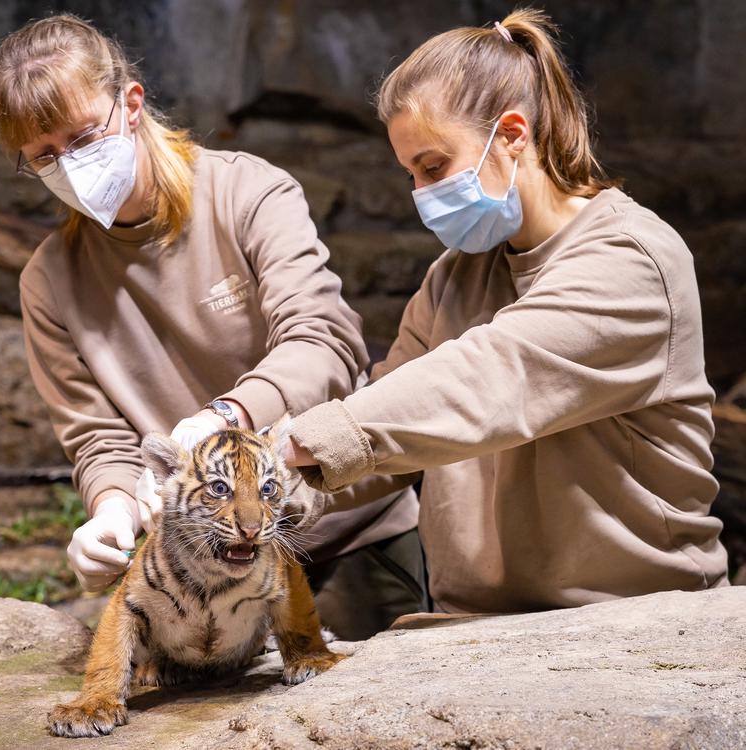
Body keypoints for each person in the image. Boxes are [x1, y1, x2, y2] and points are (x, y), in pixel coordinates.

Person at [0, 13, 425, 639]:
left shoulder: (249, 193)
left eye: (82, 139)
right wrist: (111, 511)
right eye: (44, 157)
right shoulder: (49, 280)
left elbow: (323, 341)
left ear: (130, 103)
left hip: (346, 523)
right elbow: (98, 438)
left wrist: (225, 417)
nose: (69, 167)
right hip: (210, 563)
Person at [284, 9, 729, 614]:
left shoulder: (632, 260)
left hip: (631, 618)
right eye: (411, 173)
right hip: (469, 622)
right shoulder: (455, 276)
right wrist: (240, 490)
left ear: (513, 135)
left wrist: (298, 440)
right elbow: (386, 434)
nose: (421, 193)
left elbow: (489, 376)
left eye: (434, 166)